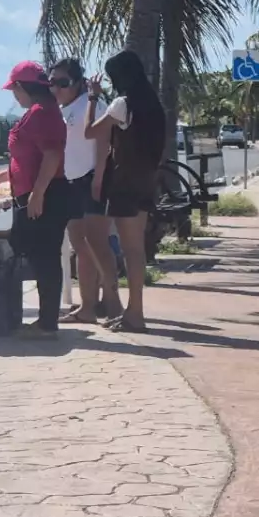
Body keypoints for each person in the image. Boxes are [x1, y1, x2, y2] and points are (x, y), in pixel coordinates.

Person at [0, 62, 70, 340]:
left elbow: (52, 156)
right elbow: (26, 157)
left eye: (13, 90)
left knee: (42, 257)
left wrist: (37, 193)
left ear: (21, 87)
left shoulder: (41, 113)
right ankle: (45, 321)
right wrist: (0, 178)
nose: (14, 96)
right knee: (39, 254)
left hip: (45, 195)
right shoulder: (39, 111)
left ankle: (46, 324)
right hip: (38, 193)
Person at [84, 50, 166, 333]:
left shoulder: (122, 104)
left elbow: (90, 132)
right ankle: (134, 310)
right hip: (145, 180)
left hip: (125, 183)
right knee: (136, 250)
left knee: (131, 251)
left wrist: (92, 98)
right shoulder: (152, 103)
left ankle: (136, 313)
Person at [49, 58, 123, 324]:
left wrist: (99, 179)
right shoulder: (62, 109)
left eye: (63, 83)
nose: (57, 88)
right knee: (80, 245)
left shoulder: (93, 105)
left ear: (78, 83)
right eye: (53, 82)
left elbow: (103, 144)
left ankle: (114, 303)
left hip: (94, 180)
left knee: (98, 243)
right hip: (72, 181)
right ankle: (87, 306)